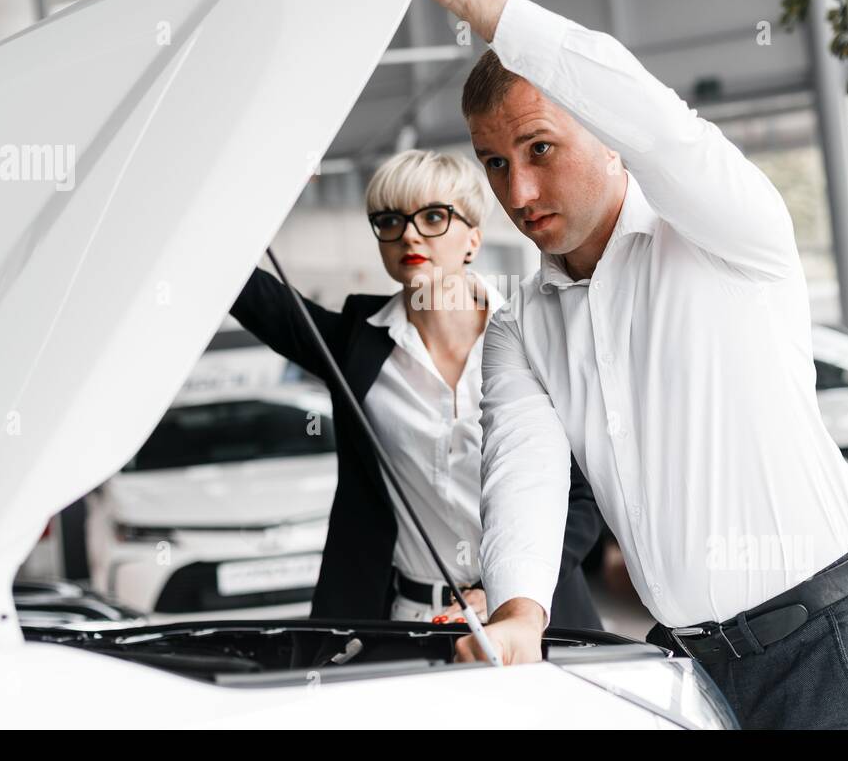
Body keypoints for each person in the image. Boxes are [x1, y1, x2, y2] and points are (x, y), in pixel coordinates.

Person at [356, 0, 848, 728]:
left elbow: (662, 123)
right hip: (692, 670)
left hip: (833, 650)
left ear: (612, 138)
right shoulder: (524, 328)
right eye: (495, 164)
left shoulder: (726, 234)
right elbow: (523, 475)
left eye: (540, 148)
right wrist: (519, 611)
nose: (516, 190)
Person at [229, 148, 603, 627]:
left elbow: (584, 499)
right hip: (408, 622)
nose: (408, 233)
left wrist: (508, 592)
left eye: (432, 217)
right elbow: (245, 290)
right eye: (390, 219)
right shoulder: (353, 342)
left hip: (535, 615)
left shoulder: (538, 336)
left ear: (473, 238)